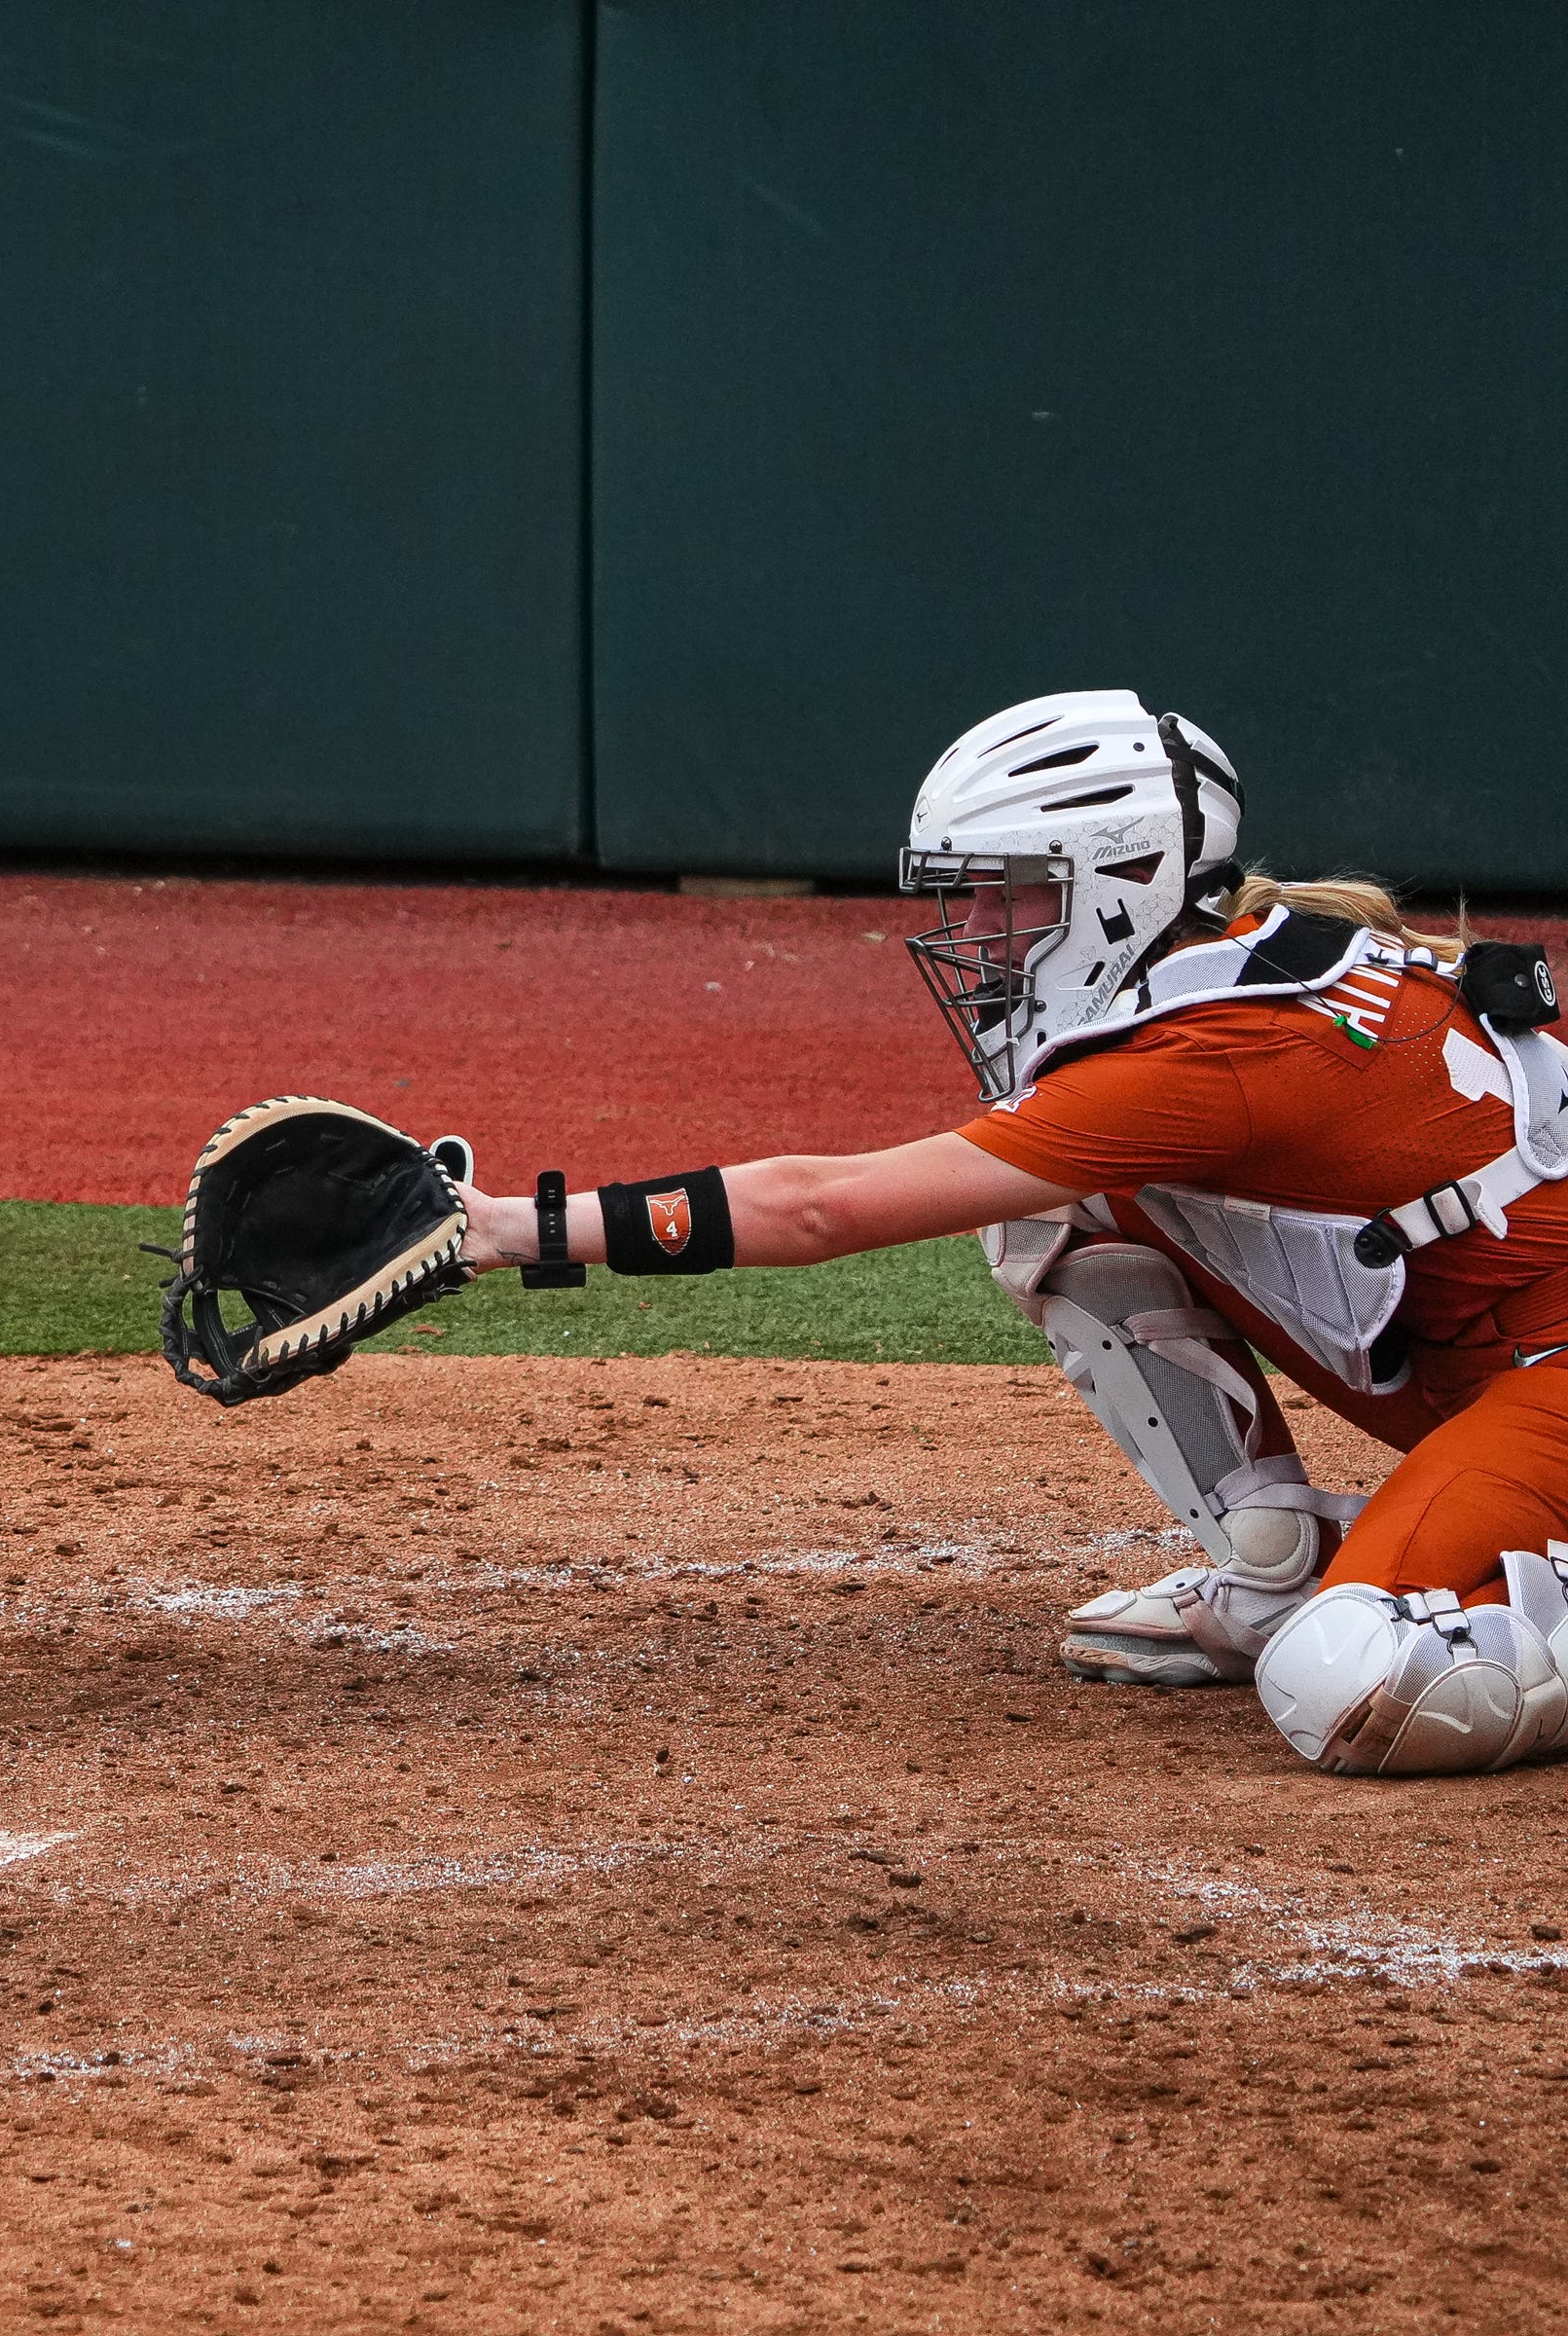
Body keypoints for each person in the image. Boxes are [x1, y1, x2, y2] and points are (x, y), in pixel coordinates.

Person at [440, 689, 1568, 1777]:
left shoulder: (1218, 1051)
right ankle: (1275, 1567)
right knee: (1046, 1205)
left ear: (1127, 879)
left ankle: (1382, 1594)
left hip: (1544, 1376)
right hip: (1479, 1358)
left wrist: (515, 1230)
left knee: (1347, 1683)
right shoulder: (1232, 959)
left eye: (1010, 893)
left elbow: (821, 1207)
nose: (976, 929)